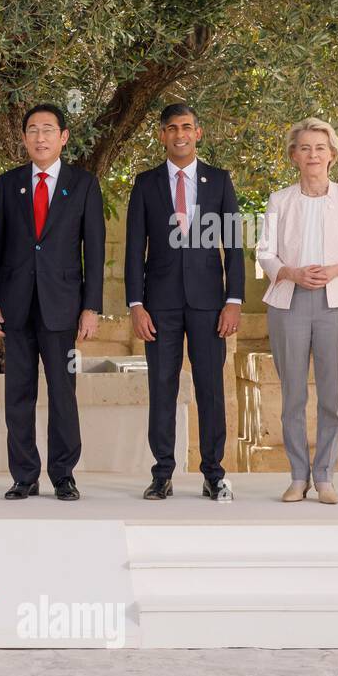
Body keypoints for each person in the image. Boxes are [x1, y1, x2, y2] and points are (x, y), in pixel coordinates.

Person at [124, 103, 243, 502]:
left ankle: (214, 473)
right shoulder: (145, 184)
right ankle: (162, 474)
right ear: (162, 135)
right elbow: (132, 250)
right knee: (162, 387)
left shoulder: (220, 181)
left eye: (187, 127)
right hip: (159, 306)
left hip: (211, 305)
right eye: (172, 128)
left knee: (211, 388)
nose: (180, 134)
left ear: (198, 132)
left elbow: (234, 247)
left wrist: (234, 300)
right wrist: (135, 305)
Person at [0, 103, 103, 501]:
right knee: (18, 393)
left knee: (63, 392)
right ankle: (24, 475)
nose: (40, 137)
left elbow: (95, 251)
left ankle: (63, 474)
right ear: (23, 138)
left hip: (63, 308)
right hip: (16, 307)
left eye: (48, 129)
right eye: (32, 130)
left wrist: (91, 307)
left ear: (63, 137)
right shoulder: (8, 183)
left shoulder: (83, 184)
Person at [256, 118, 338, 504]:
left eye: (320, 148)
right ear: (294, 155)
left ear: (332, 155)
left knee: (331, 396)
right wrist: (289, 272)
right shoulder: (278, 199)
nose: (313, 155)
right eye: (304, 148)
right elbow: (265, 253)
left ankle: (324, 477)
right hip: (288, 302)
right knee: (292, 394)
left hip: (336, 303)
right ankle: (296, 476)